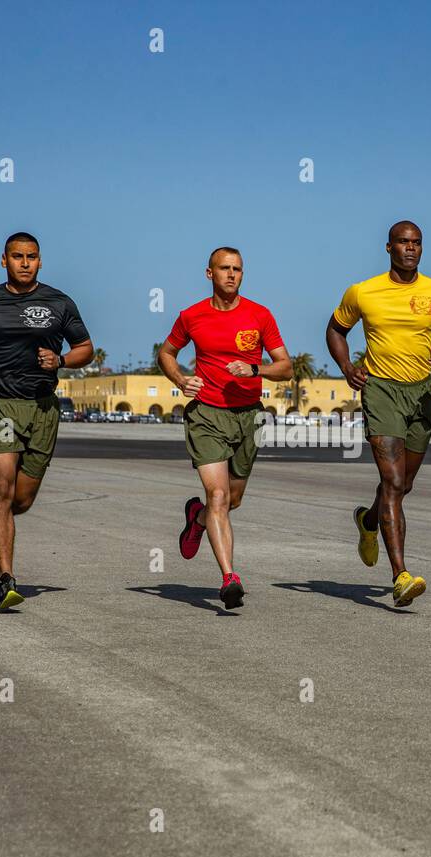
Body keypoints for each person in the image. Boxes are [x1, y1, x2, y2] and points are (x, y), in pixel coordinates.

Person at [325, 220, 431, 607]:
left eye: (417, 243)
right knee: (391, 481)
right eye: (403, 242)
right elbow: (335, 330)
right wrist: (347, 368)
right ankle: (401, 575)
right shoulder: (364, 291)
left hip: (421, 394)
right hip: (381, 390)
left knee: (403, 485)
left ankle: (368, 522)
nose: (410, 248)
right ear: (388, 248)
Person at [0, 231, 94, 611]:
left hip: (42, 409)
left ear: (40, 261)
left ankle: (0, 527)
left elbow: (85, 349)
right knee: (2, 488)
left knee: (21, 500)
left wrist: (61, 361)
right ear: (4, 260)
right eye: (17, 256)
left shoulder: (59, 303)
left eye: (31, 257)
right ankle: (6, 579)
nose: (25, 263)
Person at [161, 247, 292, 609]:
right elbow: (166, 353)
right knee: (218, 495)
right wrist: (179, 379)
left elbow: (286, 367)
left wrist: (255, 370)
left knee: (232, 500)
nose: (232, 275)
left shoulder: (260, 315)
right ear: (209, 273)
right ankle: (229, 577)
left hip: (248, 415)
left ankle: (197, 519)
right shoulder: (192, 316)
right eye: (225, 268)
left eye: (238, 269)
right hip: (206, 414)